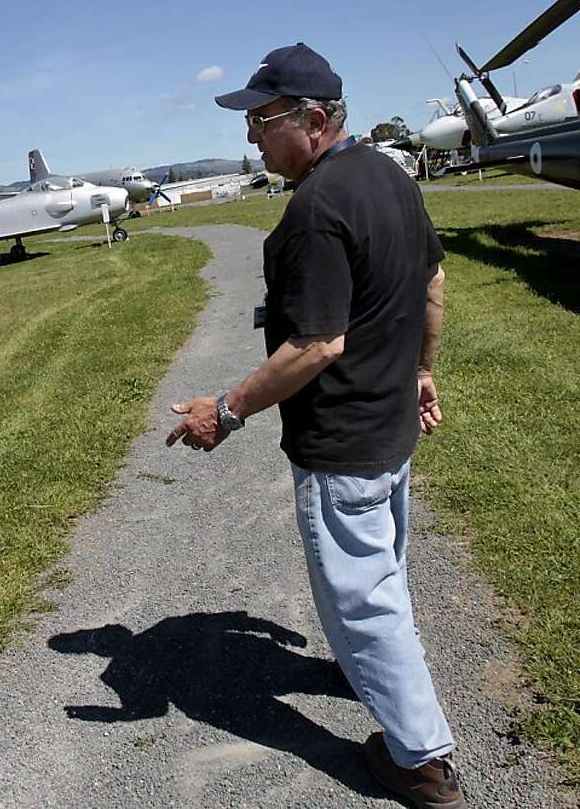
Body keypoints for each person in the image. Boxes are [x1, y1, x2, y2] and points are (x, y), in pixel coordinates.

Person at [165, 43, 461, 809]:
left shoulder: (314, 211)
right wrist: (422, 372)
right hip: (388, 427)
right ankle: (370, 675)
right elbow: (432, 281)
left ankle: (423, 763)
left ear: (316, 120)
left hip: (344, 445)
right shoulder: (391, 177)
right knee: (380, 574)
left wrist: (225, 412)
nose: (252, 139)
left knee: (366, 599)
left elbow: (317, 344)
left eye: (262, 121)